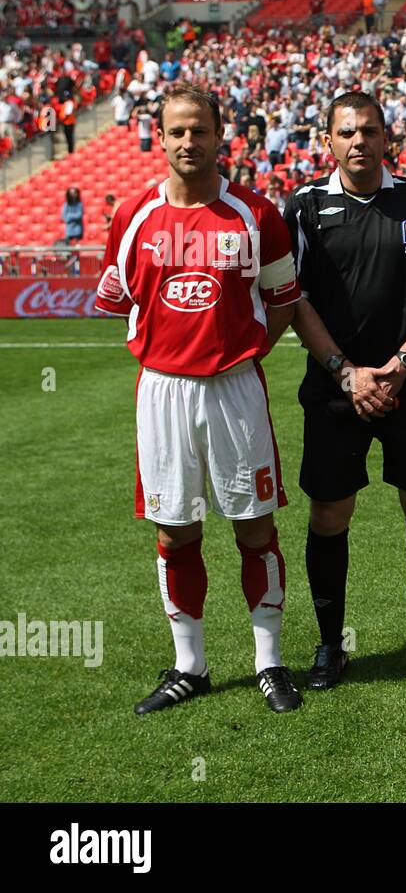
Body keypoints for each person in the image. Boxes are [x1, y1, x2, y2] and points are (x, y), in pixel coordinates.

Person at [92, 84, 302, 715]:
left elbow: (285, 300)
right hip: (162, 389)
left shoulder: (255, 214)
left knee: (254, 526)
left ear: (220, 137)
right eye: (177, 131)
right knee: (175, 531)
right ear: (162, 137)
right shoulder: (131, 217)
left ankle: (269, 663)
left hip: (235, 388)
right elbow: (119, 303)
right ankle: (191, 665)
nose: (189, 142)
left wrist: (245, 352)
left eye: (200, 131)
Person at [284, 91, 406, 689]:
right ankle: (330, 647)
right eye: (346, 132)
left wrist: (402, 363)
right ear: (328, 141)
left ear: (387, 137)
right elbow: (295, 299)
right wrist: (346, 372)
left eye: (368, 131)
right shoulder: (305, 207)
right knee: (331, 512)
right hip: (336, 390)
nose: (358, 141)